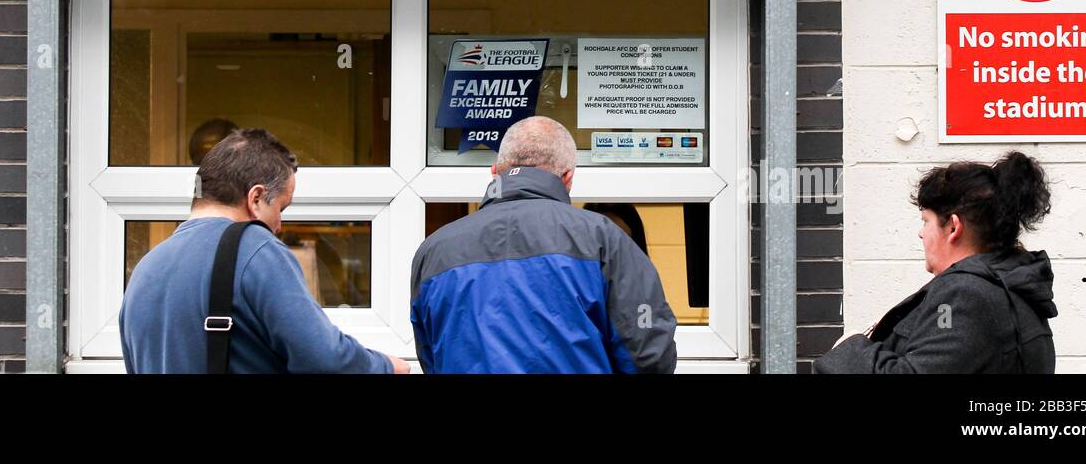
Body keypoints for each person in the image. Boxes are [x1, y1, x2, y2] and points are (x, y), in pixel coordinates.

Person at [121, 127, 408, 374]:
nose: (280, 224)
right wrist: (385, 366)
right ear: (256, 198)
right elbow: (324, 358)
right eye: (281, 208)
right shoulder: (255, 249)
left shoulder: (146, 268)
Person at [410, 116, 678, 373]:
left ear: (494, 173)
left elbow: (430, 355)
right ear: (567, 177)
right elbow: (648, 357)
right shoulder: (603, 239)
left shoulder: (434, 250)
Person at [814, 151, 1057, 374]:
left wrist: (851, 348)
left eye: (926, 221)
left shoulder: (965, 296)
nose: (921, 233)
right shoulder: (1009, 285)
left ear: (953, 227)